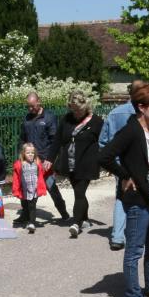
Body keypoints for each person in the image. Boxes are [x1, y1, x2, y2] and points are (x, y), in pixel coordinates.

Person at [100, 82, 149, 297]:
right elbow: (105, 156)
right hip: (139, 199)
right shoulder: (131, 130)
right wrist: (125, 176)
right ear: (142, 107)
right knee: (135, 250)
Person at [53, 90, 104, 238]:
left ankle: (76, 223)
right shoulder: (66, 119)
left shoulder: (96, 121)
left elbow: (105, 141)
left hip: (88, 162)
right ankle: (85, 217)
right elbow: (57, 140)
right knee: (78, 192)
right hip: (70, 162)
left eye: (78, 110)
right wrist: (49, 159)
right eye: (73, 110)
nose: (75, 113)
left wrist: (108, 161)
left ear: (85, 106)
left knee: (80, 192)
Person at [99, 81, 144, 251]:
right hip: (139, 164)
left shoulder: (115, 113)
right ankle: (135, 232)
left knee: (121, 196)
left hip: (119, 164)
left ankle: (118, 236)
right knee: (141, 195)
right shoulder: (144, 113)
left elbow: (103, 141)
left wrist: (112, 163)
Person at [21, 91, 68, 224]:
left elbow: (55, 141)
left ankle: (64, 213)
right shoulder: (27, 118)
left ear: (39, 102)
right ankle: (27, 217)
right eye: (28, 106)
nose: (30, 109)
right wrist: (23, 155)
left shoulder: (49, 117)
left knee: (51, 187)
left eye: (32, 106)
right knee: (27, 189)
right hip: (29, 161)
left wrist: (50, 159)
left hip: (45, 160)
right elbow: (22, 138)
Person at [11, 143, 47, 233]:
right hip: (24, 190)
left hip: (34, 189)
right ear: (23, 154)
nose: (30, 154)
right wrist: (16, 189)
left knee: (32, 206)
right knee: (24, 205)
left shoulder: (37, 162)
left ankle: (32, 223)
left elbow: (41, 175)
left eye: (32, 152)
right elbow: (16, 178)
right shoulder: (20, 164)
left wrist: (41, 187)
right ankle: (26, 218)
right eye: (28, 153)